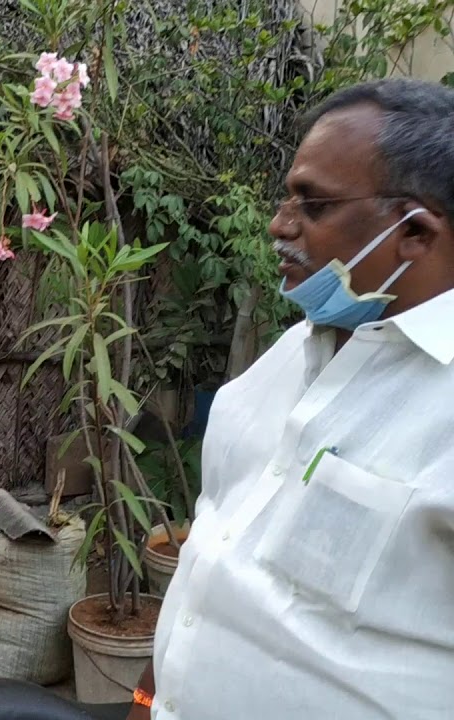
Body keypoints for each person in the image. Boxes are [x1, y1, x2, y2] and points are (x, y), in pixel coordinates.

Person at [127, 78, 454, 719]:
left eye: (314, 204)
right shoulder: (287, 357)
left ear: (414, 233)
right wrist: (146, 699)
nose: (280, 225)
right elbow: (211, 564)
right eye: (287, 197)